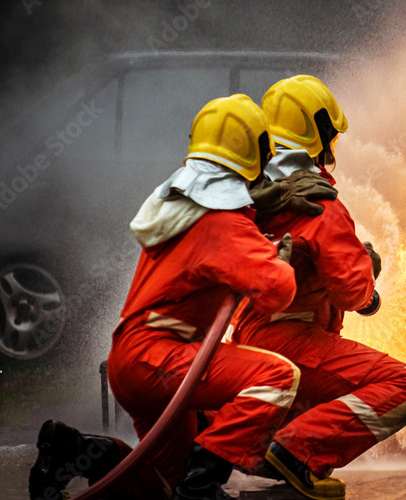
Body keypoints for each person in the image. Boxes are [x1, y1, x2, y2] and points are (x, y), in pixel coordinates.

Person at [107, 94, 319, 500]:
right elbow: (277, 291)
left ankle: (77, 450)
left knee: (163, 483)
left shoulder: (179, 206)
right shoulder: (223, 223)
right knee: (277, 376)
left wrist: (255, 210)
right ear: (256, 152)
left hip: (130, 360)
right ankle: (203, 487)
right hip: (161, 359)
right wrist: (281, 259)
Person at [234, 75, 406, 500]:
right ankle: (296, 453)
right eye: (331, 136)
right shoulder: (317, 201)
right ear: (319, 134)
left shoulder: (250, 193)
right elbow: (353, 292)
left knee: (319, 387)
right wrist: (368, 275)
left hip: (247, 340)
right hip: (288, 341)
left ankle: (263, 447)